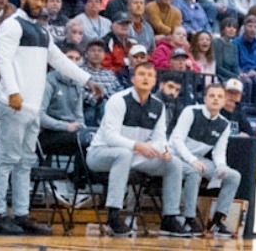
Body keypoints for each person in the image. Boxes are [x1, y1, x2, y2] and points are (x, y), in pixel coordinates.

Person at [0, 0, 91, 235]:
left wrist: (87, 80)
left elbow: (58, 59)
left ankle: (21, 214)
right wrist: (12, 91)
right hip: (13, 102)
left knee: (26, 162)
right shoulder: (12, 25)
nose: (39, 4)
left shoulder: (42, 30)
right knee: (7, 159)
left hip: (32, 106)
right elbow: (3, 59)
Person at [87, 60, 179, 237]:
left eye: (150, 75)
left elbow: (160, 139)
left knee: (173, 163)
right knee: (123, 154)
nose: (146, 78)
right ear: (133, 79)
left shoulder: (158, 106)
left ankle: (170, 218)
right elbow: (110, 137)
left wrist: (163, 150)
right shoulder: (118, 100)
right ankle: (113, 216)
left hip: (134, 155)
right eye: (142, 74)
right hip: (101, 153)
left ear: (155, 82)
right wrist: (137, 146)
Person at [162, 80, 243, 238]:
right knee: (194, 171)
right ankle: (189, 218)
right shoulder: (191, 111)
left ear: (224, 100)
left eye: (219, 96)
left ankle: (217, 220)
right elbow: (177, 140)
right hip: (176, 155)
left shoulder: (224, 124)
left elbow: (219, 152)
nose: (215, 99)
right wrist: (192, 160)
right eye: (211, 95)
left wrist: (221, 166)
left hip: (197, 159)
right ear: (205, 99)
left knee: (233, 176)